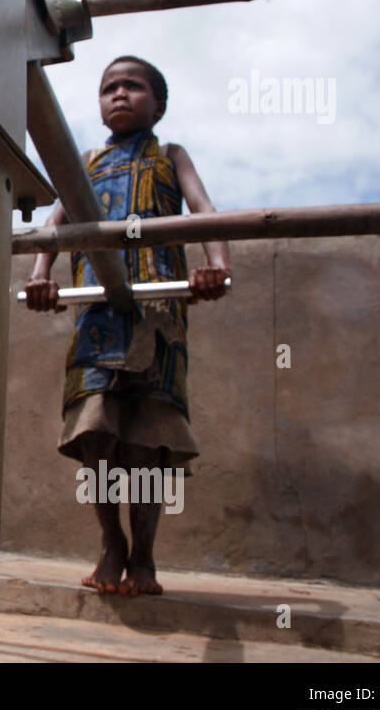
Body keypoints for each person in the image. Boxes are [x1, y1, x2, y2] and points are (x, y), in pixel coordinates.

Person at [24, 55, 230, 594]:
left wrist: (217, 266)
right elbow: (54, 225)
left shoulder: (170, 155)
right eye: (109, 87)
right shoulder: (85, 162)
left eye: (133, 87)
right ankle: (110, 541)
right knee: (98, 434)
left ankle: (144, 555)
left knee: (146, 444)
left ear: (158, 104)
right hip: (97, 320)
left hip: (157, 317)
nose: (120, 95)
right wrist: (40, 276)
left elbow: (204, 210)